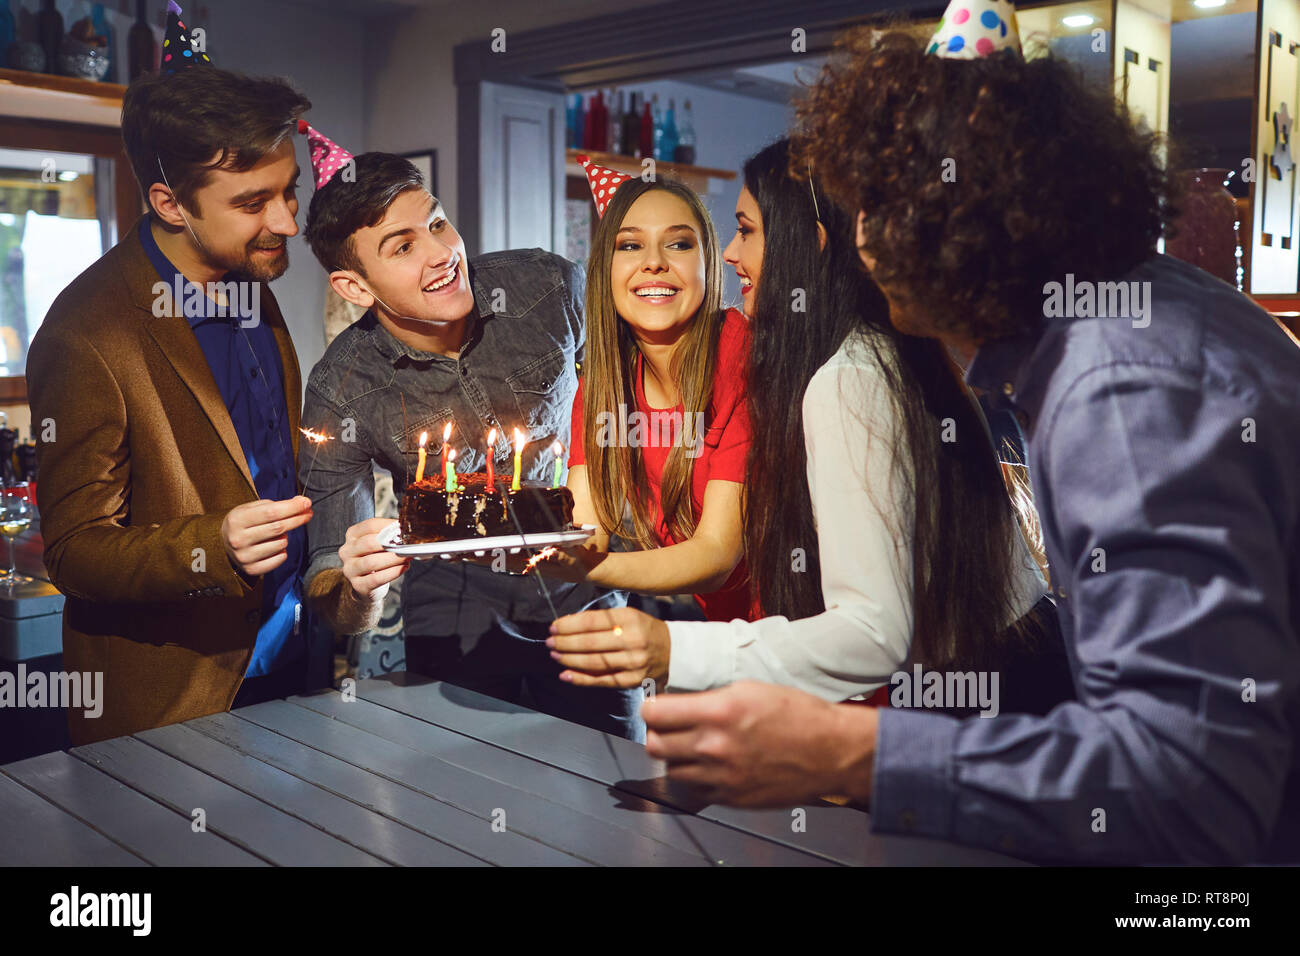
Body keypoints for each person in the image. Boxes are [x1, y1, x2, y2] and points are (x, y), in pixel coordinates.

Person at [637, 10, 1300, 865]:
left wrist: (852, 754)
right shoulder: (1125, 315)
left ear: (970, 213)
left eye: (880, 201)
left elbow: (1191, 791)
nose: (864, 239)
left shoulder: (1120, 387)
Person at [547, 140, 1063, 715]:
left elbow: (868, 632)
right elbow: (579, 523)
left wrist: (677, 651)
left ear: (807, 244)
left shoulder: (839, 376)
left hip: (970, 682)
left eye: (743, 231)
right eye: (629, 246)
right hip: (952, 669)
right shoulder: (857, 351)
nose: (734, 254)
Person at [27, 17, 316, 745]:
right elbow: (74, 551)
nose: (285, 221)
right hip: (178, 707)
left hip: (295, 674)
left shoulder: (252, 282)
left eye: (289, 191)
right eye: (253, 203)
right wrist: (212, 547)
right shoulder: (86, 333)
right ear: (169, 204)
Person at [295, 136, 639, 739]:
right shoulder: (341, 389)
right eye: (403, 246)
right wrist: (358, 584)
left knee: (626, 786)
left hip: (584, 588)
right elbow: (330, 586)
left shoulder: (549, 289)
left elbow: (627, 396)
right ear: (355, 288)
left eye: (437, 223)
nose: (442, 252)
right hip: (454, 615)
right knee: (469, 802)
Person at [515, 161, 755, 632]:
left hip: (808, 632)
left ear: (709, 261)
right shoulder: (604, 384)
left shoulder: (742, 354)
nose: (654, 262)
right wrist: (493, 543)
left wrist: (578, 568)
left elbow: (718, 555)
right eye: (630, 245)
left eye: (679, 243)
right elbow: (587, 533)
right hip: (730, 636)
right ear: (605, 269)